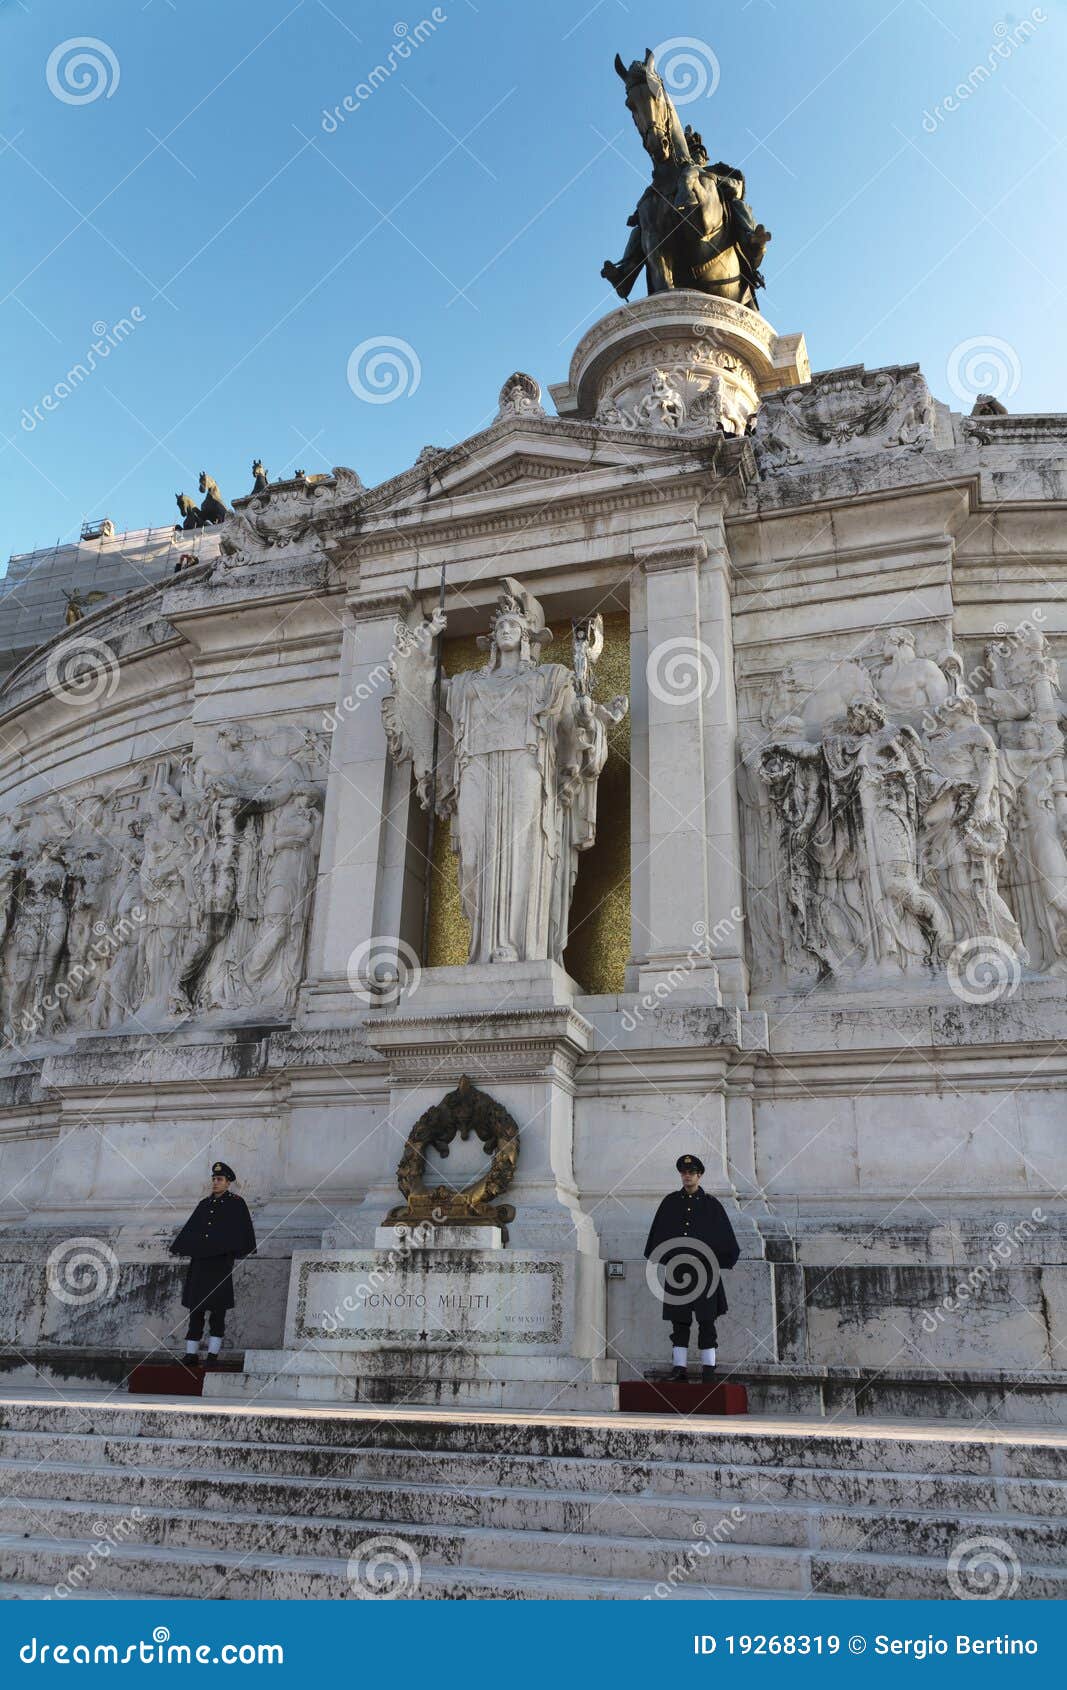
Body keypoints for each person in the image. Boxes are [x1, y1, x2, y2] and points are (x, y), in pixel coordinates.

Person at [644, 1154, 739, 1382]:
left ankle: (709, 1369)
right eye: (684, 1172)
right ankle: (680, 1368)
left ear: (700, 1175)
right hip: (679, 1271)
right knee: (680, 1321)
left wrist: (713, 1260)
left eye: (692, 1172)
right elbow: (659, 1235)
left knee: (707, 1320)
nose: (687, 1176)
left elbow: (725, 1239)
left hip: (705, 1272)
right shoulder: (670, 1203)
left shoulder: (712, 1205)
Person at [169, 1161, 256, 1368]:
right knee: (195, 1309)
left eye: (220, 1180)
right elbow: (192, 1229)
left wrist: (233, 1251)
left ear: (228, 1183)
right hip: (200, 1264)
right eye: (214, 1179)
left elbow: (243, 1230)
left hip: (220, 1264)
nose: (215, 1183)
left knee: (218, 1311)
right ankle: (191, 1354)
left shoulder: (236, 1203)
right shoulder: (204, 1204)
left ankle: (212, 1355)